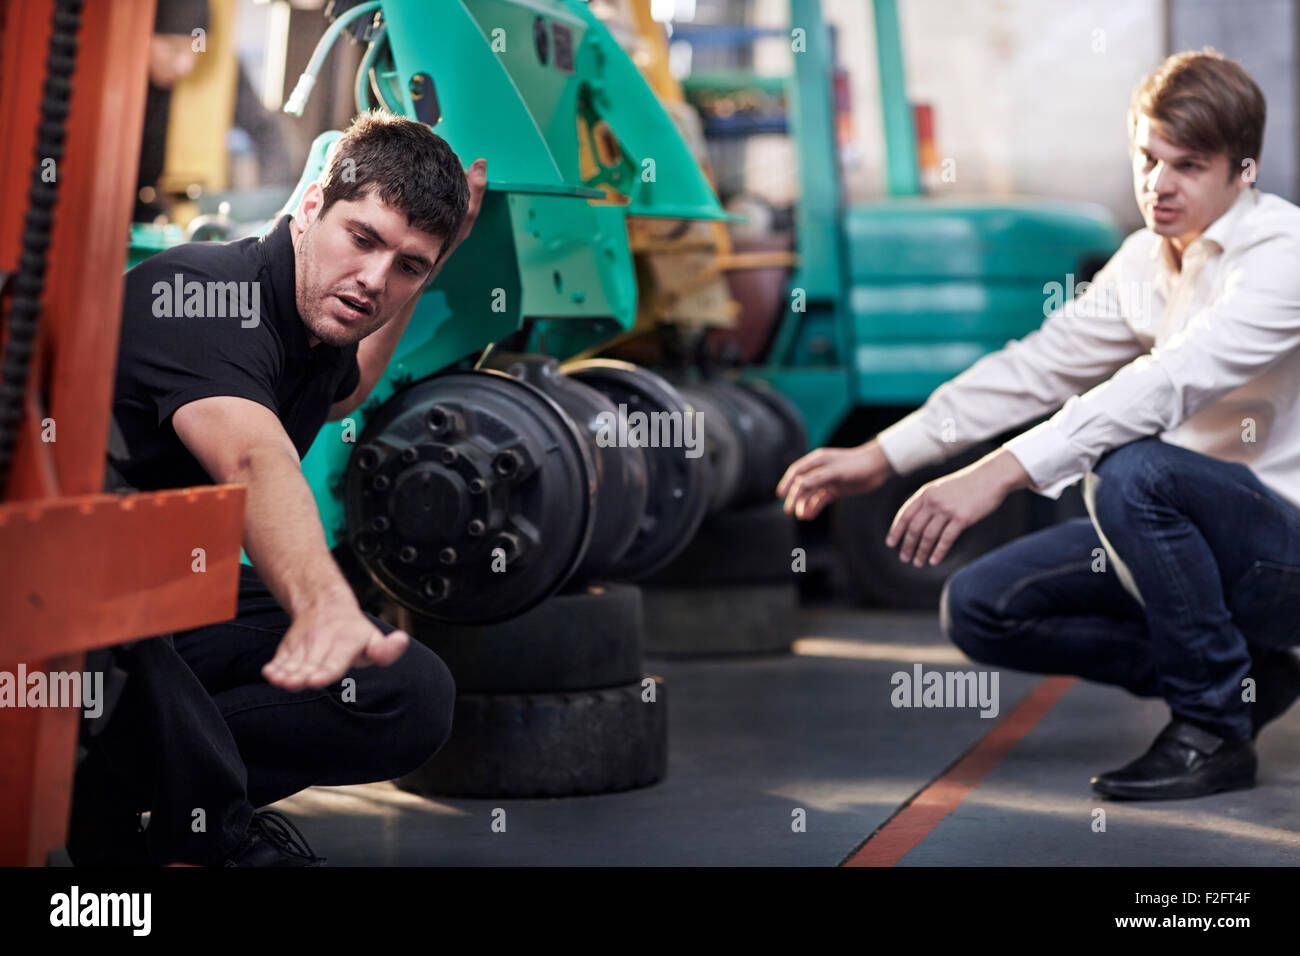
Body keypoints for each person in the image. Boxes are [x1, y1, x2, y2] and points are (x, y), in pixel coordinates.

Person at [779, 49, 1300, 801]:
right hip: (1191, 544)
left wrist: (998, 471)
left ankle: (1214, 729)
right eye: (1147, 158)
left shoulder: (1281, 255)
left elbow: (1170, 379)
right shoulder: (1144, 262)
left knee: (1131, 471)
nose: (1158, 185)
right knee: (982, 606)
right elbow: (1035, 367)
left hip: (1281, 549)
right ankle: (1245, 677)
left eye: (1188, 165)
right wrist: (882, 455)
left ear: (1242, 171)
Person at [71, 110, 487, 865]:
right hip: (53, 630)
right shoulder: (203, 298)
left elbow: (347, 388)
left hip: (166, 610)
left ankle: (116, 796)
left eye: (409, 266)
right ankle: (212, 843)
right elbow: (254, 460)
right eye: (362, 239)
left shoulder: (315, 323)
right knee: (111, 606)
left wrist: (439, 260)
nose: (374, 281)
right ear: (309, 205)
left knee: (406, 693)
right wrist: (321, 604)